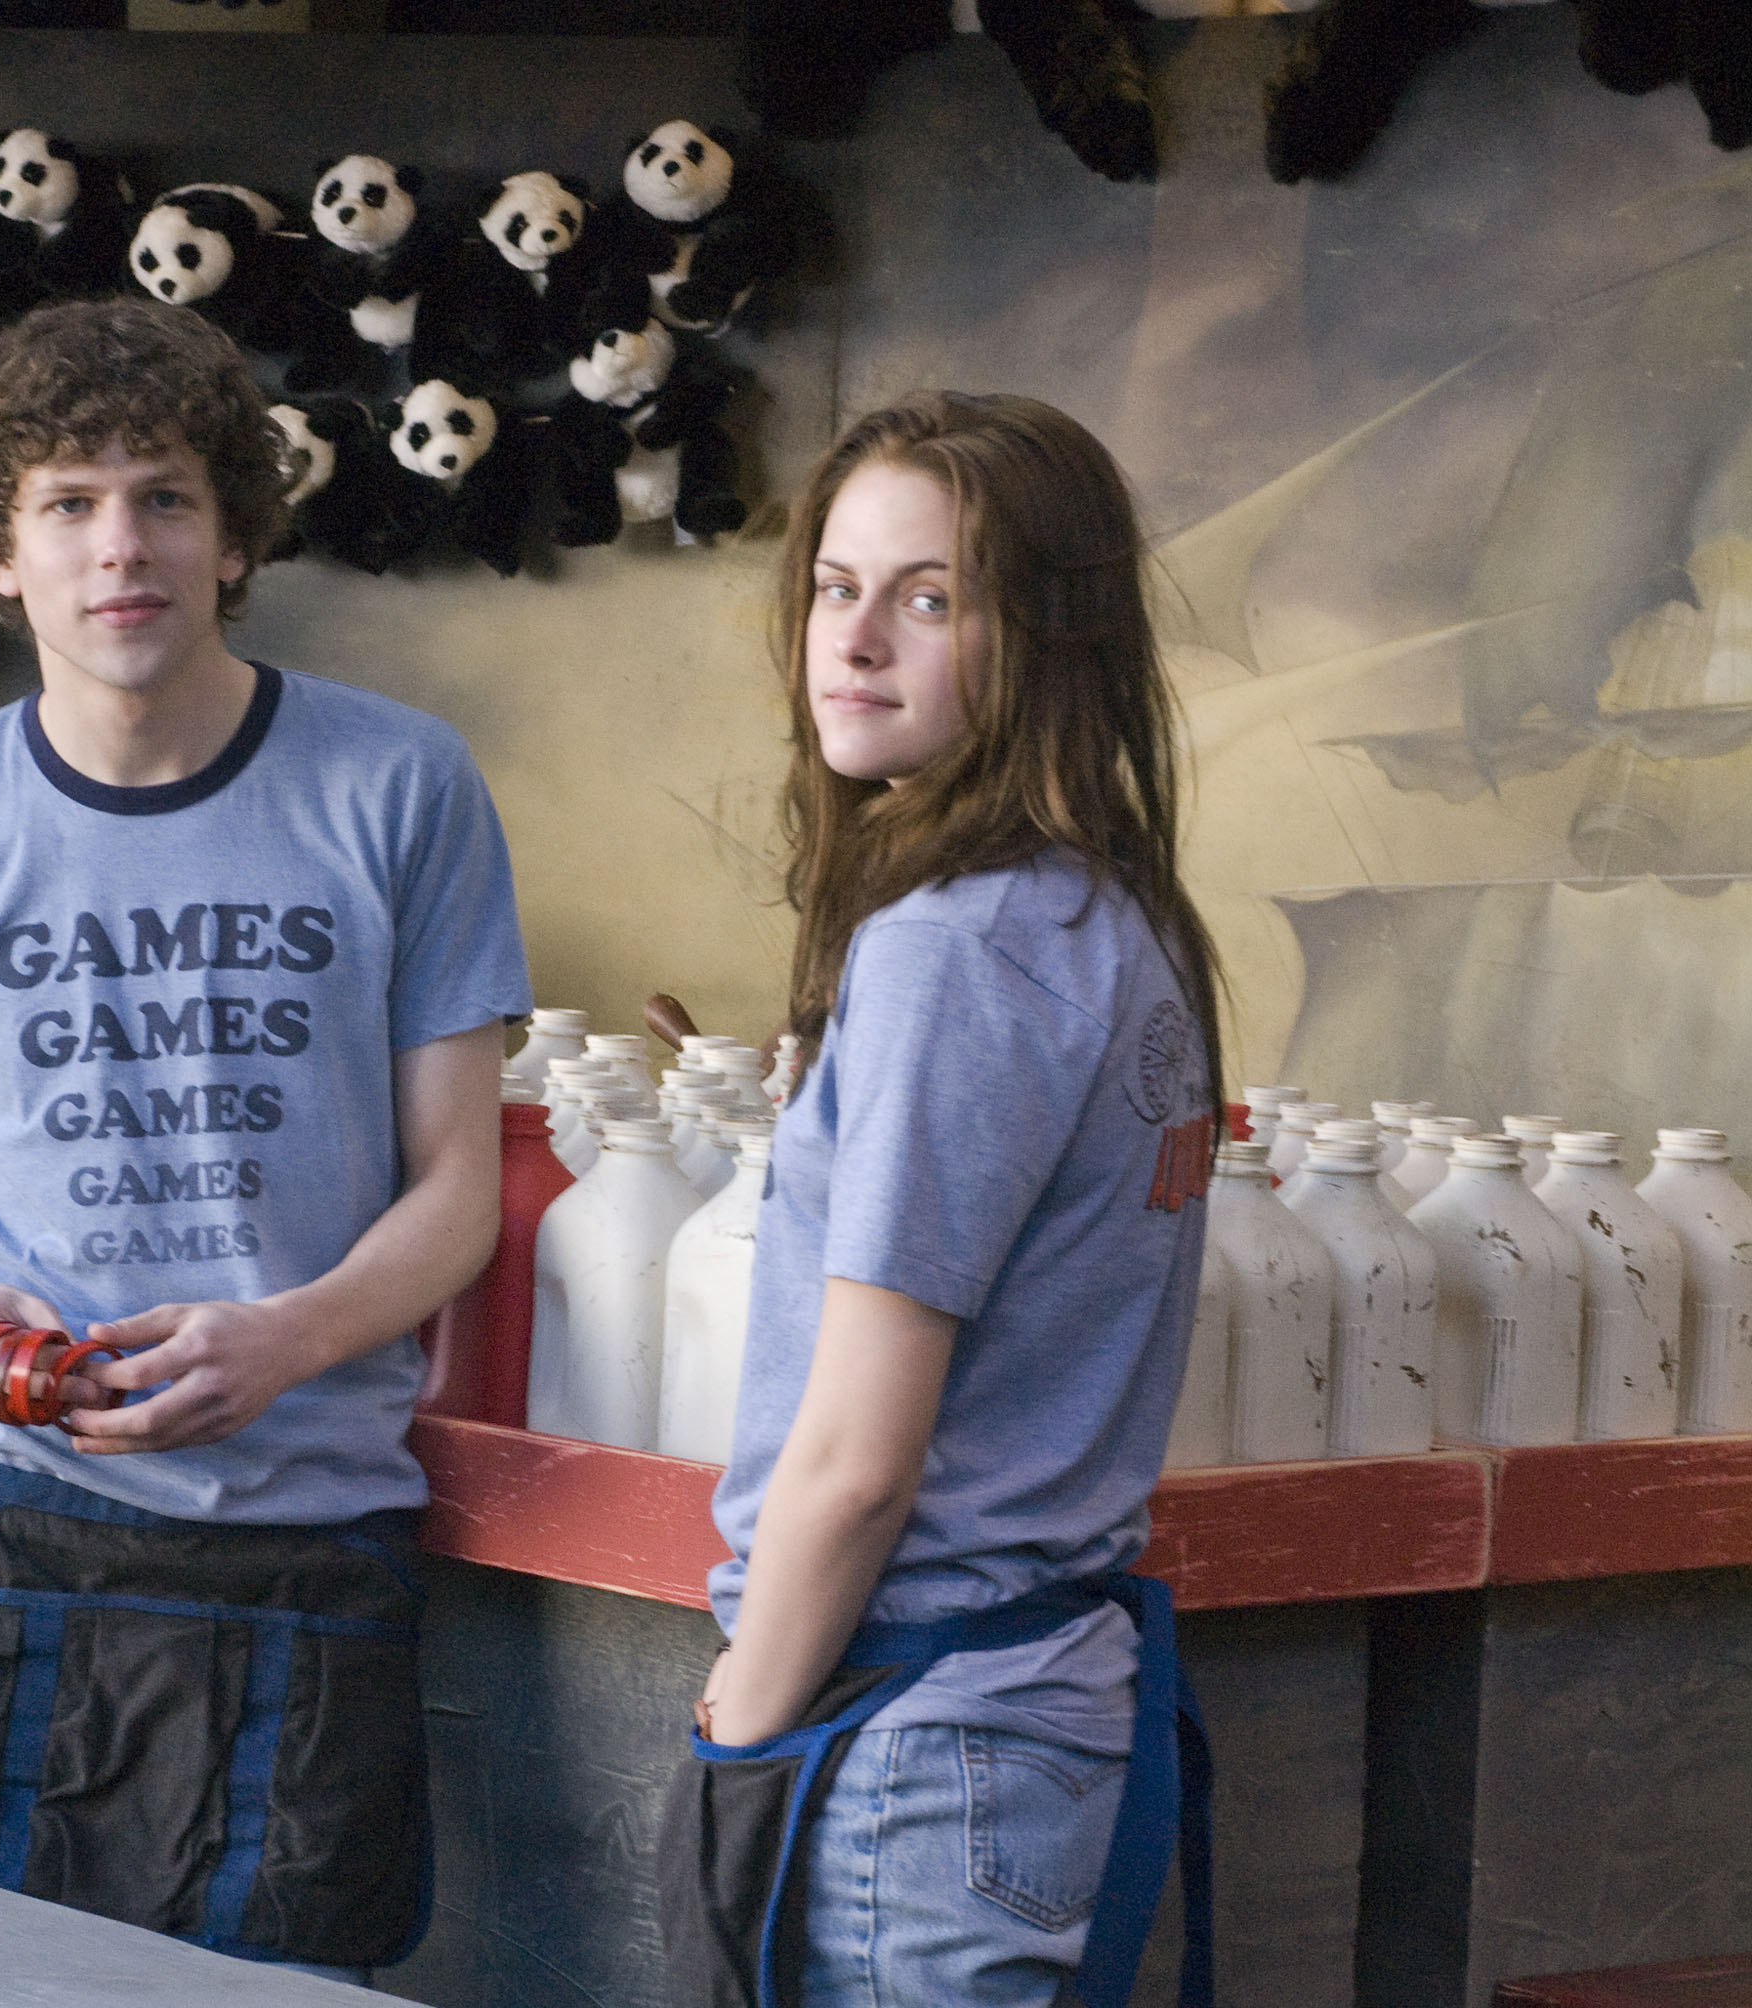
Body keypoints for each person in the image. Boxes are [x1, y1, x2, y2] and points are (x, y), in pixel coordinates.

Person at [0, 296, 530, 1978]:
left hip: (299, 1541)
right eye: (68, 503)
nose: (123, 546)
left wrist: (291, 1336)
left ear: (235, 535)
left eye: (166, 495)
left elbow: (458, 1190)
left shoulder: (400, 788)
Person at [659, 392, 1220, 2008]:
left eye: (931, 596)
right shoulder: (1112, 915)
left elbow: (856, 1463)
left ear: (1044, 632)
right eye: (838, 587)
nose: (858, 639)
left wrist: (738, 1738)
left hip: (915, 1741)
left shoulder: (957, 949)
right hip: (1040, 1706)